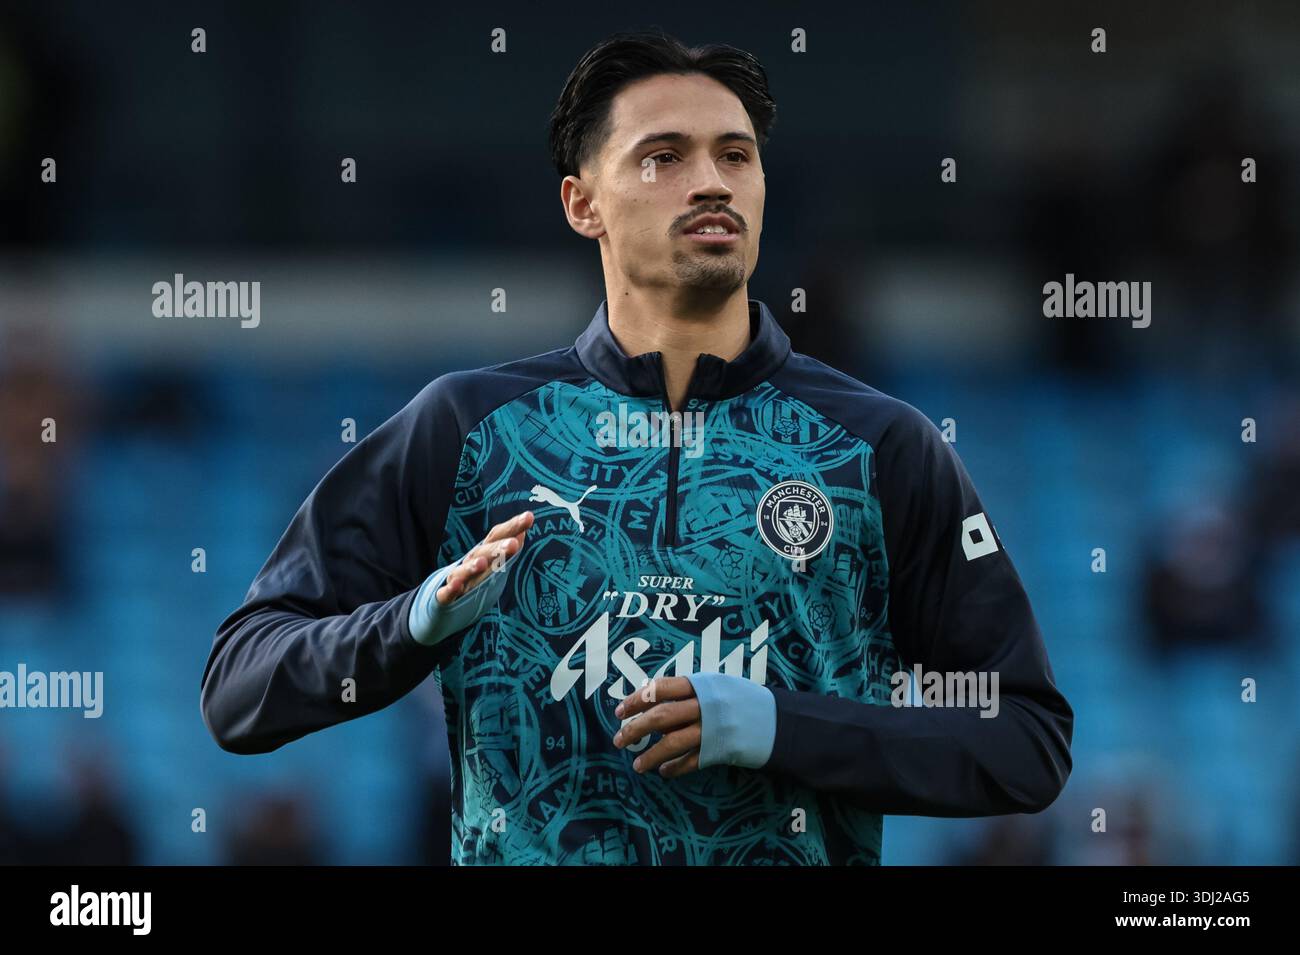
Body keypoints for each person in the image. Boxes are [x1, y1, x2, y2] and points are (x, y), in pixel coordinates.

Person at [201, 29, 1072, 865]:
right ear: (583, 203)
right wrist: (412, 622)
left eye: (736, 156)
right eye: (665, 157)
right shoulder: (466, 429)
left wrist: (777, 727)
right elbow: (239, 688)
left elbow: (1024, 740)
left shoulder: (880, 447)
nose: (712, 183)